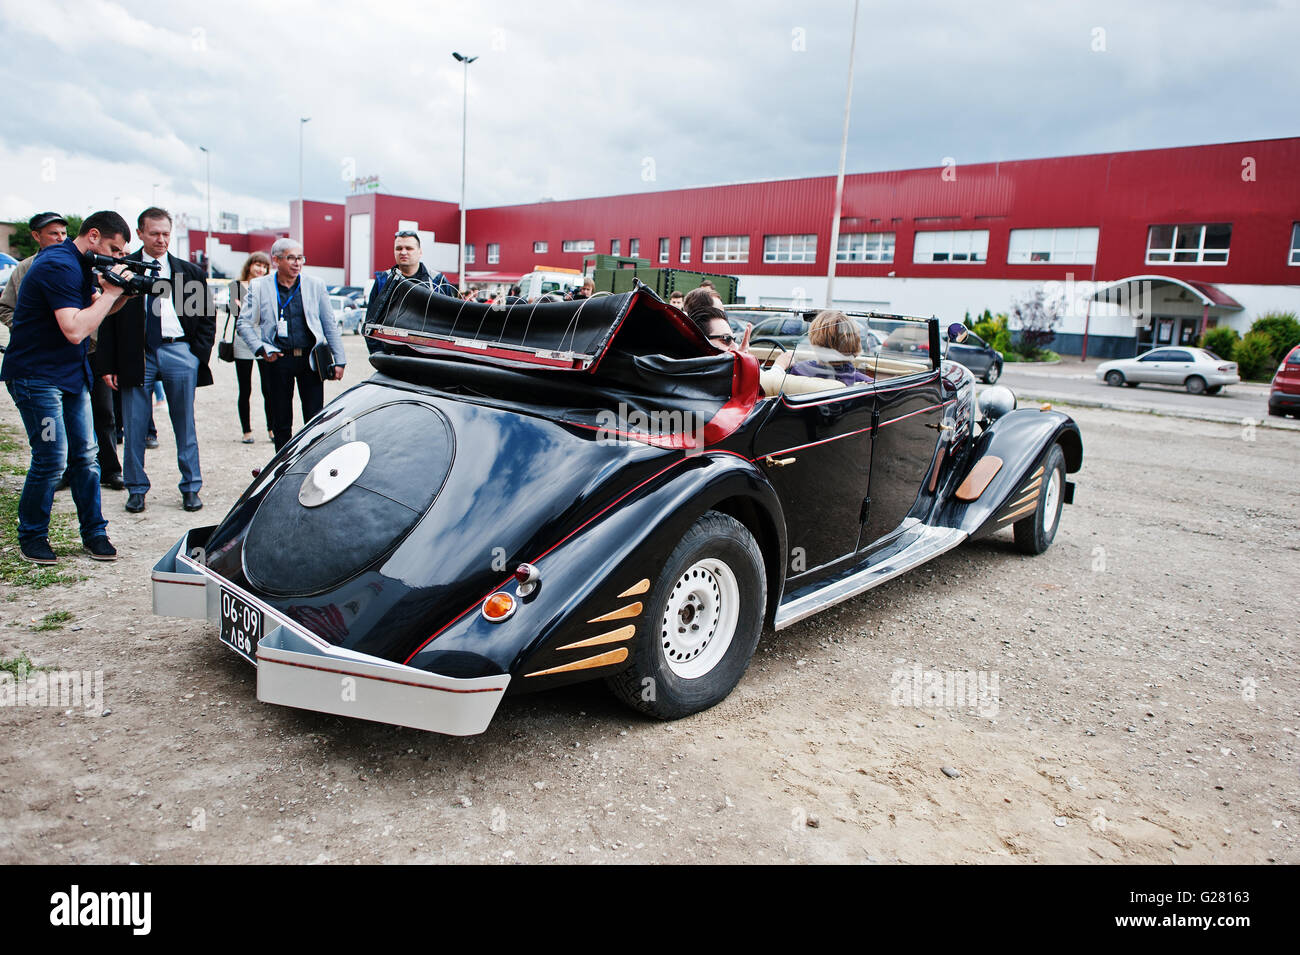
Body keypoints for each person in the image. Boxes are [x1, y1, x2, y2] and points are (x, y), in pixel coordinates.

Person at [0, 210, 134, 563]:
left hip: (71, 374)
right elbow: (75, 328)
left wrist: (123, 295)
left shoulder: (79, 264)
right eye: (114, 249)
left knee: (86, 459)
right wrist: (111, 292)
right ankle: (32, 536)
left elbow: (95, 309)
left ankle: (94, 533)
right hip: (36, 377)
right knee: (51, 459)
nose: (116, 258)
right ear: (92, 235)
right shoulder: (58, 264)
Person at [97, 208, 216, 514]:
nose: (161, 239)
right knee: (135, 425)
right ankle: (136, 489)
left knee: (184, 425)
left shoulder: (190, 273)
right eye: (154, 233)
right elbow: (106, 320)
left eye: (165, 233)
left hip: (179, 351)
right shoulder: (121, 268)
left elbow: (206, 318)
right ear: (140, 234)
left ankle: (191, 487)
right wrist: (108, 364)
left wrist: (195, 356)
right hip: (137, 353)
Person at [236, 238, 346, 451]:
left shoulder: (315, 285)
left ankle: (311, 460)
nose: (297, 263)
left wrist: (339, 360)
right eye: (291, 258)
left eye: (300, 258)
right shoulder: (260, 286)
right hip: (278, 360)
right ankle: (282, 469)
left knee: (315, 419)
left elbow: (329, 324)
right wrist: (261, 349)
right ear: (276, 260)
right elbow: (243, 323)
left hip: (310, 360)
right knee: (281, 419)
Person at [227, 251, 273, 442]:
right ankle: (247, 431)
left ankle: (272, 429)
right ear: (250, 265)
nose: (260, 269)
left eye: (264, 266)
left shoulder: (270, 286)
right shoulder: (237, 286)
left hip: (265, 341)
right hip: (243, 341)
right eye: (257, 264)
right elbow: (236, 311)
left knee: (269, 388)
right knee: (244, 388)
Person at [778, 309, 874, 386]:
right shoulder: (868, 384)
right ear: (855, 342)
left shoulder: (798, 371)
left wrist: (779, 366)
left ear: (815, 342)